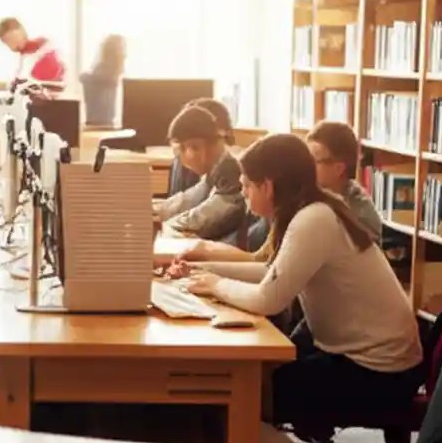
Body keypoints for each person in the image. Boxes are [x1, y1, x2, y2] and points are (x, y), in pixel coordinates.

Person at [177, 134, 423, 422]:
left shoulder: (313, 220)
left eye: (246, 185)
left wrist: (215, 285)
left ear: (267, 186)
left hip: (380, 372)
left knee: (244, 398)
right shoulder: (315, 209)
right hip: (370, 359)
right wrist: (206, 273)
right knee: (247, 387)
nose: (243, 193)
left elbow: (269, 299)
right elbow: (274, 273)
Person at [177, 121, 381, 263]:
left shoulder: (352, 217)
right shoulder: (307, 200)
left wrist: (208, 257)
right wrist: (205, 252)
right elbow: (262, 259)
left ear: (338, 169)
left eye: (313, 160)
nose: (303, 165)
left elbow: (269, 271)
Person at [153, 105, 245, 240]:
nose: (181, 158)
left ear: (197, 146)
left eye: (183, 149)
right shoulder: (217, 169)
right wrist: (153, 211)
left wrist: (161, 227)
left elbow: (200, 219)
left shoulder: (231, 174)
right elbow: (187, 199)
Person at [0, 17, 66, 96]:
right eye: (7, 41)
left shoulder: (46, 51)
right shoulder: (24, 57)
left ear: (22, 31)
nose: (11, 43)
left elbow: (34, 85)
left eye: (11, 39)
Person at [80, 34, 125, 127]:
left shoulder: (109, 73)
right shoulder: (106, 72)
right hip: (100, 123)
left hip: (101, 122)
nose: (125, 55)